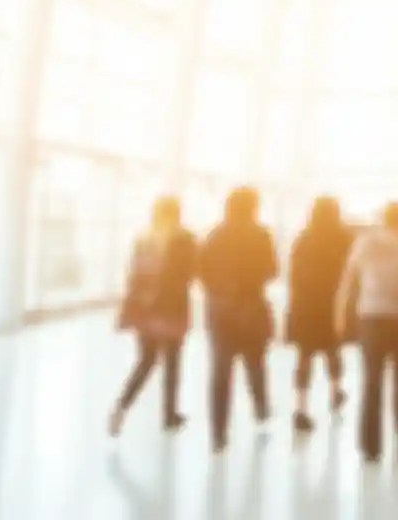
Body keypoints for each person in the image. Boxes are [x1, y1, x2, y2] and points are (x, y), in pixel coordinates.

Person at [335, 202, 398, 463]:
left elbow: (349, 278)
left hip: (372, 316)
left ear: (383, 218)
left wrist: (341, 312)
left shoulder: (366, 242)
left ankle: (370, 445)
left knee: (372, 380)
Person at [200, 187, 279, 452]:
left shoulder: (215, 235)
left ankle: (218, 432)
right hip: (251, 305)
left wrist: (219, 288)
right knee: (255, 362)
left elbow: (201, 271)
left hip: (220, 308)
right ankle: (261, 410)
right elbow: (272, 270)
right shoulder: (261, 235)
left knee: (221, 369)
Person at [110, 196, 197, 436]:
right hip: (172, 309)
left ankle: (121, 408)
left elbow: (134, 274)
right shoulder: (185, 239)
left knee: (146, 362)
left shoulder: (144, 239)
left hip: (145, 310)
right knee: (173, 363)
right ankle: (170, 415)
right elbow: (191, 273)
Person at [285, 197, 354, 433]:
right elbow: (351, 272)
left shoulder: (303, 239)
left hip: (305, 304)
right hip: (332, 304)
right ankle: (336, 392)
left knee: (304, 355)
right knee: (333, 350)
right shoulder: (343, 239)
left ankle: (301, 408)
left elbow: (292, 275)